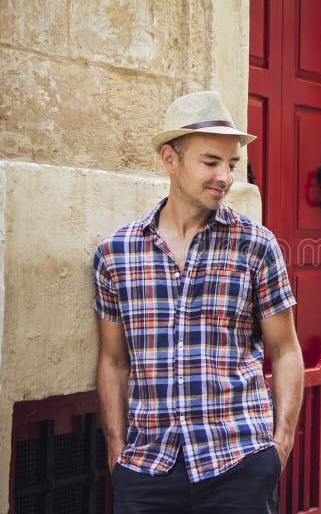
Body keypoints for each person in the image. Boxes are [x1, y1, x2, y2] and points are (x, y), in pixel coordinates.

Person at [93, 91, 304, 513]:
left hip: (239, 463)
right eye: (211, 162)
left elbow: (285, 351)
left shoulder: (256, 246)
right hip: (147, 469)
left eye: (232, 164)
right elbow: (114, 361)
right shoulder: (117, 253)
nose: (225, 177)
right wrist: (117, 451)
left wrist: (278, 447)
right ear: (170, 159)